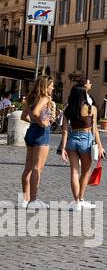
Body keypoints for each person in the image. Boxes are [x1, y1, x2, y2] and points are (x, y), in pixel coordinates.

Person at [59, 74, 104, 210]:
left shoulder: (68, 110)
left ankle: (76, 202)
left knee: (74, 171)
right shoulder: (92, 109)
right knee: (85, 171)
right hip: (86, 139)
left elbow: (65, 131)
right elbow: (94, 129)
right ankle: (81, 198)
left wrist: (62, 148)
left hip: (72, 140)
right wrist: (100, 147)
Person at [19, 76, 56, 208]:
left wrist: (35, 122)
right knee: (37, 168)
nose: (53, 88)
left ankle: (25, 199)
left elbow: (24, 116)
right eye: (51, 85)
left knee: (28, 167)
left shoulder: (31, 98)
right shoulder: (45, 98)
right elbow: (35, 112)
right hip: (41, 133)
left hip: (31, 132)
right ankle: (33, 200)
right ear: (45, 86)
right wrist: (42, 123)